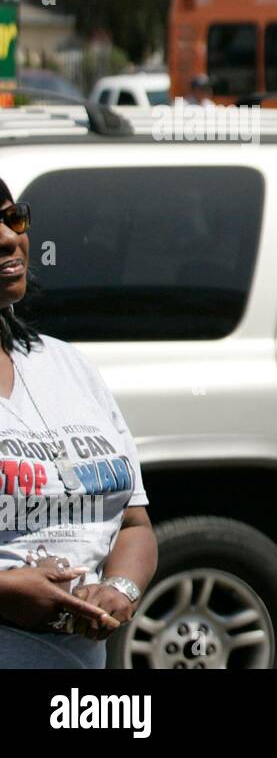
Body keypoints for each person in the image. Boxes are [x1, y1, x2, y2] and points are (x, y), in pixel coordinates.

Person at [0, 180, 156, 668]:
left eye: (13, 218)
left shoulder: (67, 365)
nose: (8, 238)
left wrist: (119, 588)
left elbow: (134, 521)